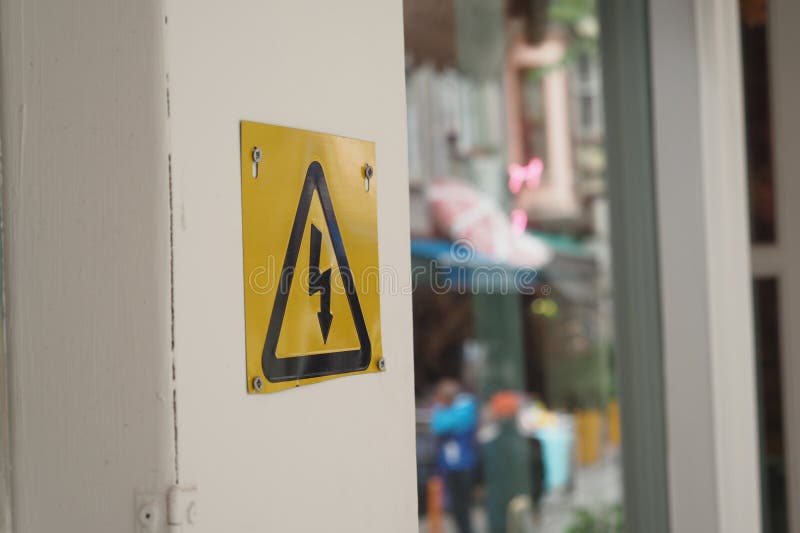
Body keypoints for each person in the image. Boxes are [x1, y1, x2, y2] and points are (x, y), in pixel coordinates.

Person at [430, 378, 478, 533]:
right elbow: (437, 426)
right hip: (449, 466)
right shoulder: (447, 410)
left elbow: (443, 425)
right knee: (455, 507)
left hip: (464, 464)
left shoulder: (465, 407)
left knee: (463, 505)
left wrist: (443, 411)